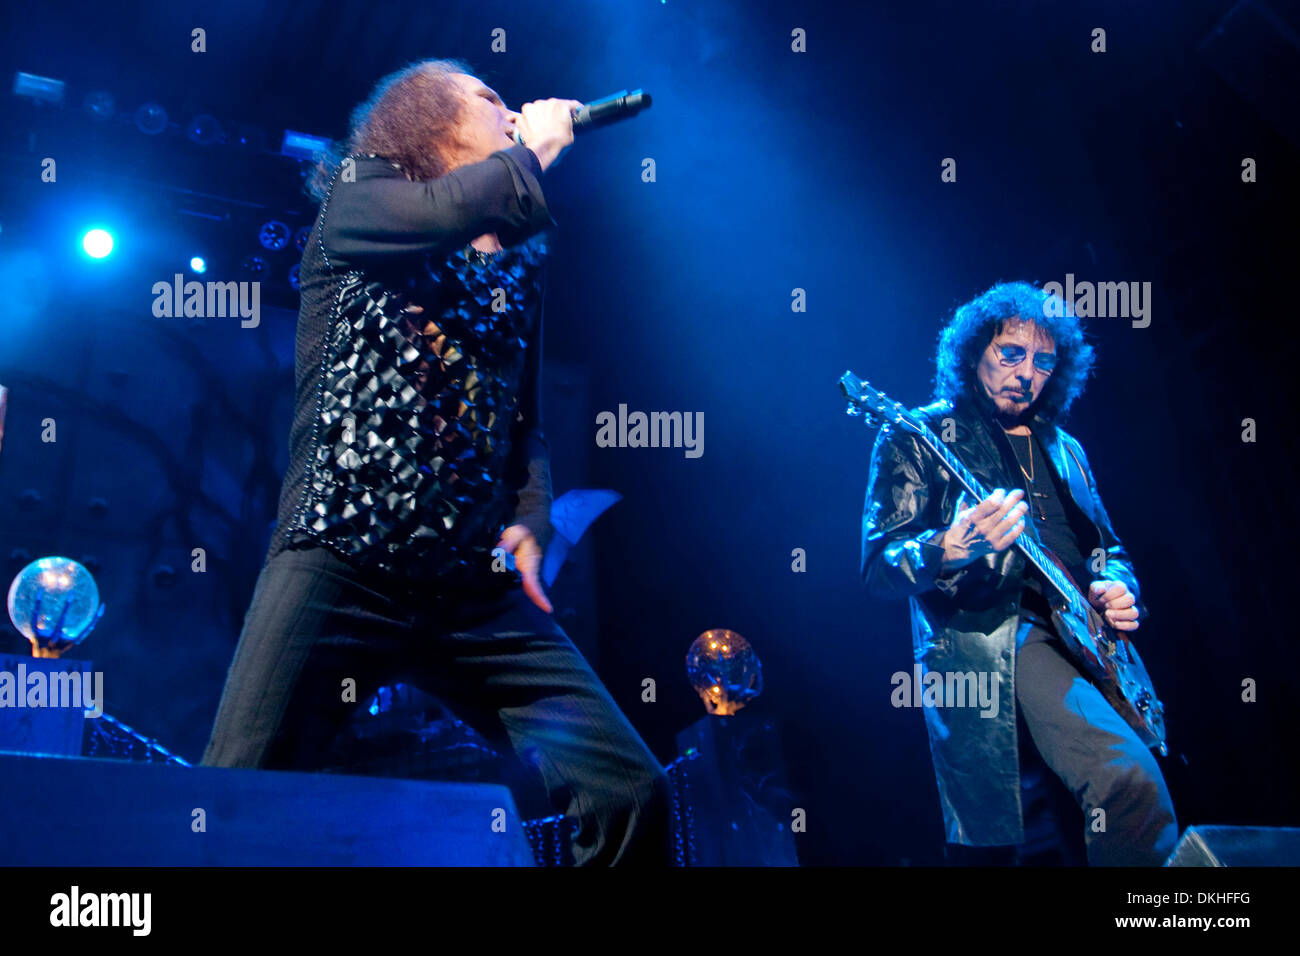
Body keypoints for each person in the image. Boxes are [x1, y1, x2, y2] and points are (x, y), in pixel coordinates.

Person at [201, 58, 672, 866]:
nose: (513, 107)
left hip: (469, 590)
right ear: (430, 121)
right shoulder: (359, 204)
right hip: (339, 562)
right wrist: (536, 153)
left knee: (630, 790)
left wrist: (528, 516)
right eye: (490, 98)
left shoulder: (517, 264)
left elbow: (523, 414)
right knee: (237, 796)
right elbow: (451, 205)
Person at [859, 280, 1178, 865]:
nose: (1026, 372)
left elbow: (1109, 547)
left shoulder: (1066, 448)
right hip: (1000, 634)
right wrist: (950, 546)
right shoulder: (919, 435)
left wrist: (1121, 586)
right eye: (1010, 353)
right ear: (974, 350)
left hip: (1089, 640)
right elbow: (879, 566)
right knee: (1126, 781)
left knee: (1123, 800)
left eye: (1043, 361)